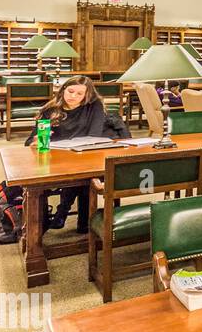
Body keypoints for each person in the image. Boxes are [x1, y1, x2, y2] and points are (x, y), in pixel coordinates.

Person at [25, 75, 131, 232]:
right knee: (79, 175)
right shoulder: (49, 110)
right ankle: (81, 222)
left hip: (87, 154)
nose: (73, 96)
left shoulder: (94, 106)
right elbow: (29, 142)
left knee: (82, 173)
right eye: (70, 91)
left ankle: (64, 212)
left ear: (87, 95)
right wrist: (35, 141)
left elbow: (92, 136)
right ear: (63, 90)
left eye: (79, 94)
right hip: (58, 158)